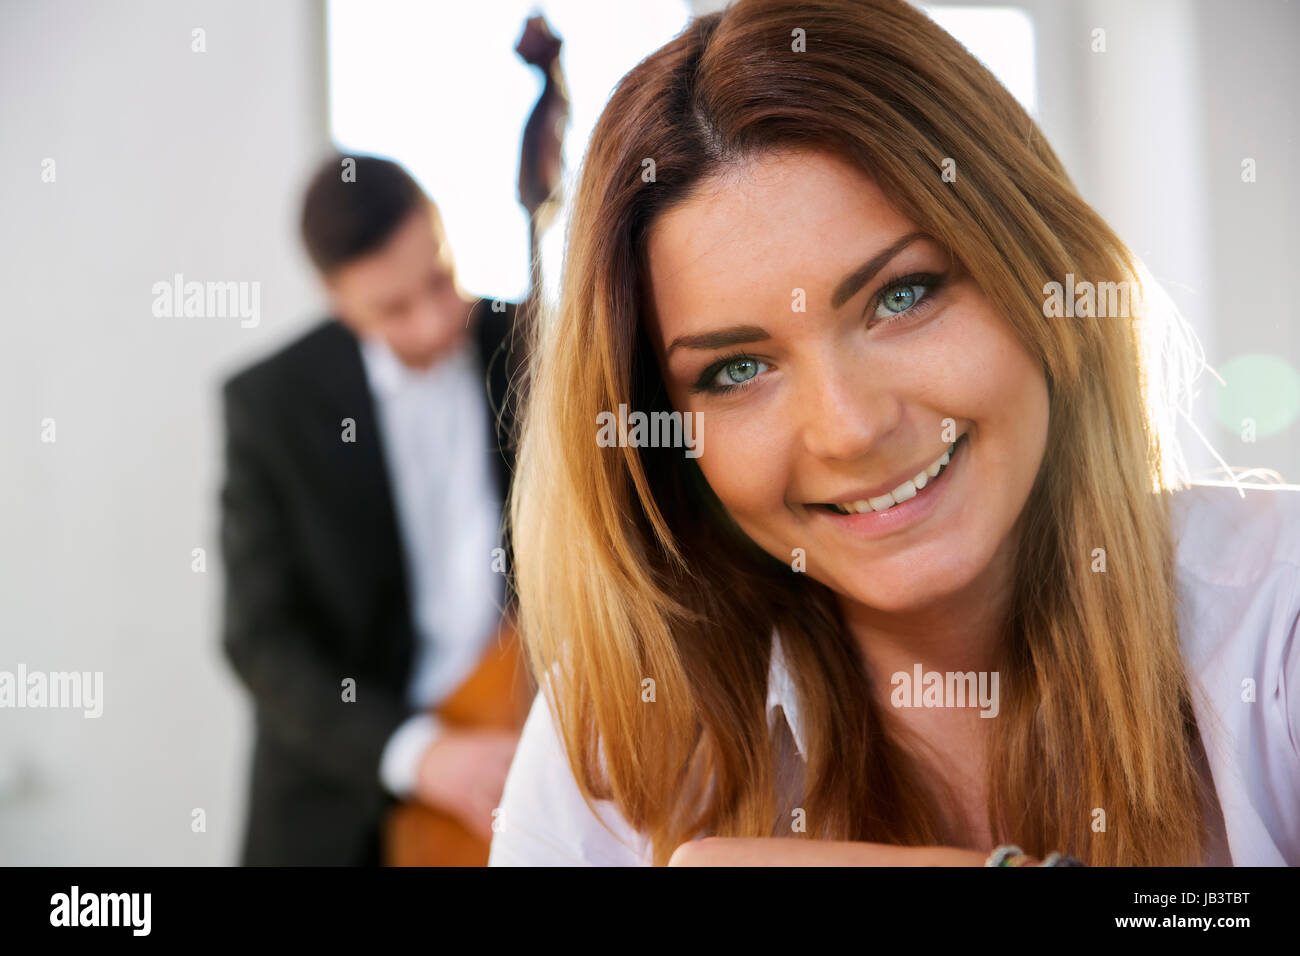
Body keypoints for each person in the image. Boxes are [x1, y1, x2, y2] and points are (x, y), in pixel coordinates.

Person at [489, 0, 1300, 866]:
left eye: (901, 297)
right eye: (736, 370)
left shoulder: (1278, 613)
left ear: (1038, 271)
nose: (850, 427)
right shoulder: (613, 730)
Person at [220, 153, 525, 865]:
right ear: (335, 298)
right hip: (340, 798)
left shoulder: (526, 340)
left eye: (441, 279)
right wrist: (420, 755)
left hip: (509, 752)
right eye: (392, 308)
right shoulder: (270, 406)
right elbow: (259, 637)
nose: (435, 323)